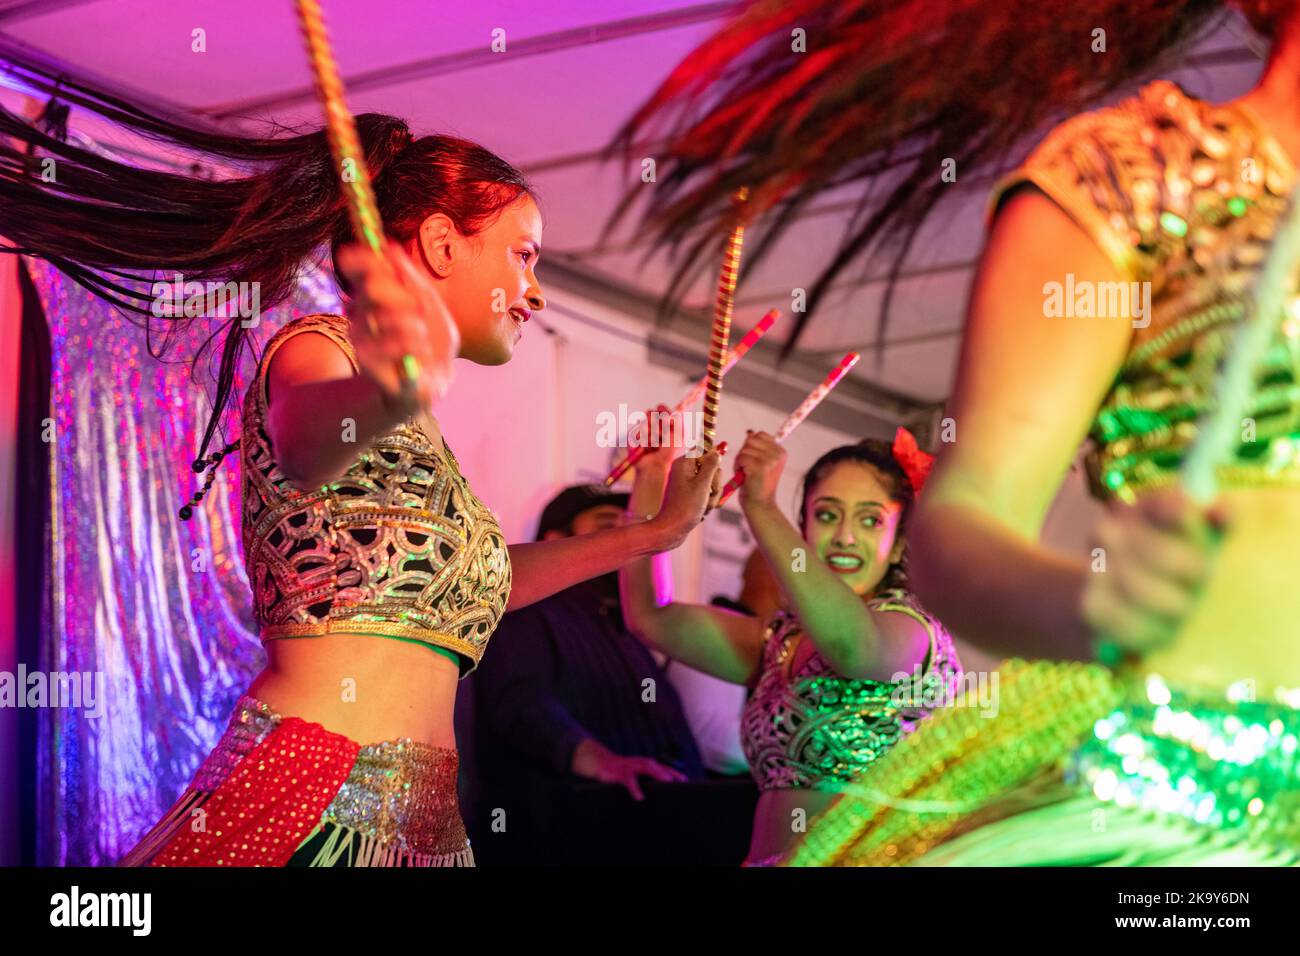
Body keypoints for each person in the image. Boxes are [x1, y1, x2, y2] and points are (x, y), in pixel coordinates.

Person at [0, 59, 724, 866]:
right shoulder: (316, 349)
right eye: (524, 255)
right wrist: (394, 384)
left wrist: (653, 534)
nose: (536, 290)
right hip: (317, 793)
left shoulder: (420, 442)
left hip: (426, 827)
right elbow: (306, 441)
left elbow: (475, 588)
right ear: (445, 244)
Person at [619, 427, 962, 865]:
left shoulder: (914, 627)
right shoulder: (780, 640)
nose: (845, 537)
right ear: (803, 526)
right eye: (826, 515)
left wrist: (760, 506)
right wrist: (651, 479)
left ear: (898, 546)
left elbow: (851, 645)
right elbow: (652, 617)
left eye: (871, 520)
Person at [465, 483, 706, 863]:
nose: (625, 539)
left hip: (646, 834)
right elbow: (519, 703)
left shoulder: (629, 630)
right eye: (609, 524)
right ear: (554, 541)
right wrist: (596, 758)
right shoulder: (525, 610)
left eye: (629, 526)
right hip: (565, 837)